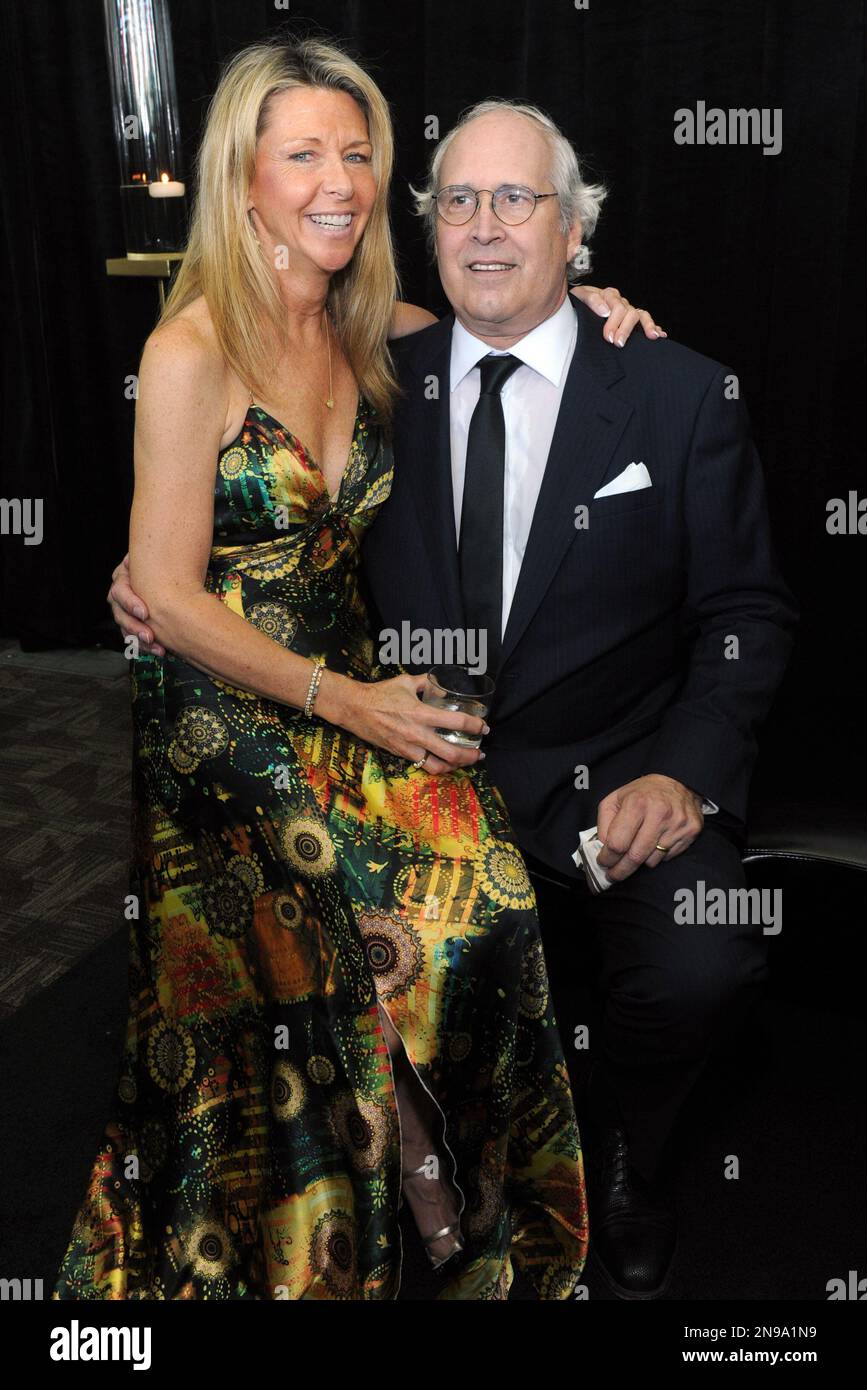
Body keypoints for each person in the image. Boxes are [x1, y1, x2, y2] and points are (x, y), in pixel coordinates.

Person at [113, 94, 798, 1301]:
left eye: (518, 200)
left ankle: (629, 1159)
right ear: (428, 229)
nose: (487, 227)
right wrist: (145, 579)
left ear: (576, 229)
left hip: (617, 767)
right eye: (461, 201)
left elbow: (747, 617)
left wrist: (681, 772)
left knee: (710, 956)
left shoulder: (679, 393)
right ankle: (452, 1183)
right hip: (415, 774)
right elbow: (268, 509)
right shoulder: (386, 365)